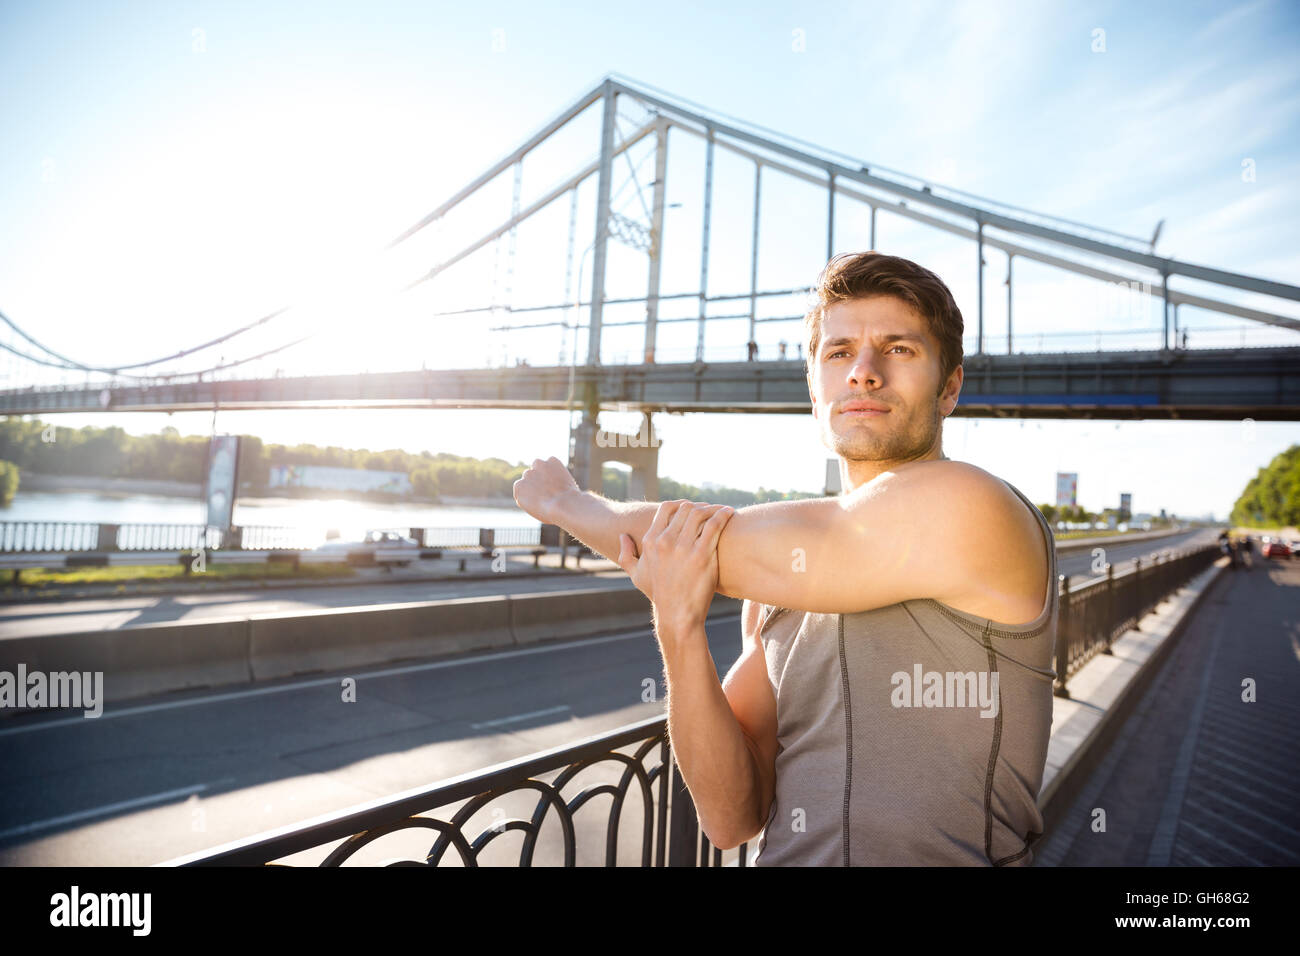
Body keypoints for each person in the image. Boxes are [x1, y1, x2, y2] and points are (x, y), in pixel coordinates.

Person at [513, 251, 1056, 866]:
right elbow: (730, 817)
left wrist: (567, 503)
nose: (864, 373)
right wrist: (680, 628)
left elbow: (700, 539)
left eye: (898, 349)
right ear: (813, 384)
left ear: (950, 386)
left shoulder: (975, 505)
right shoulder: (777, 586)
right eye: (839, 352)